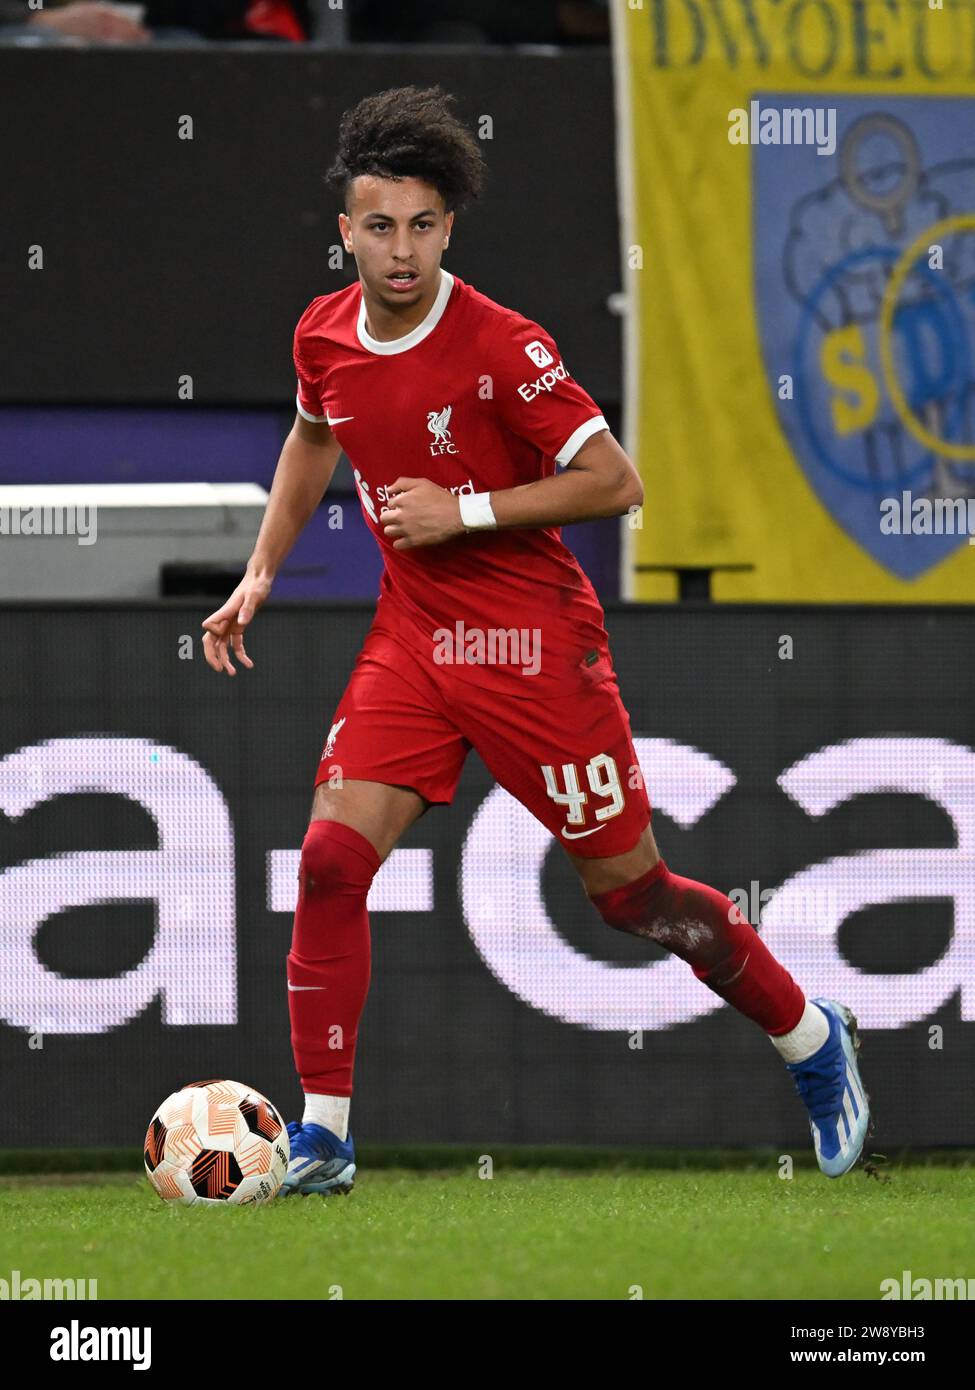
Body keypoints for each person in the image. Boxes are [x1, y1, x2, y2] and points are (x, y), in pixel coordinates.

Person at [201, 84, 870, 1194]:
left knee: (634, 901)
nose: (401, 250)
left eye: (422, 225)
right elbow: (313, 437)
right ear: (345, 233)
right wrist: (260, 572)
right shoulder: (323, 332)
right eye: (379, 226)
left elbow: (616, 482)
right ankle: (324, 1134)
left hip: (531, 646)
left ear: (449, 225)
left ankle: (809, 1035)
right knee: (326, 864)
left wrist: (459, 511)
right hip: (414, 641)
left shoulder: (505, 346)